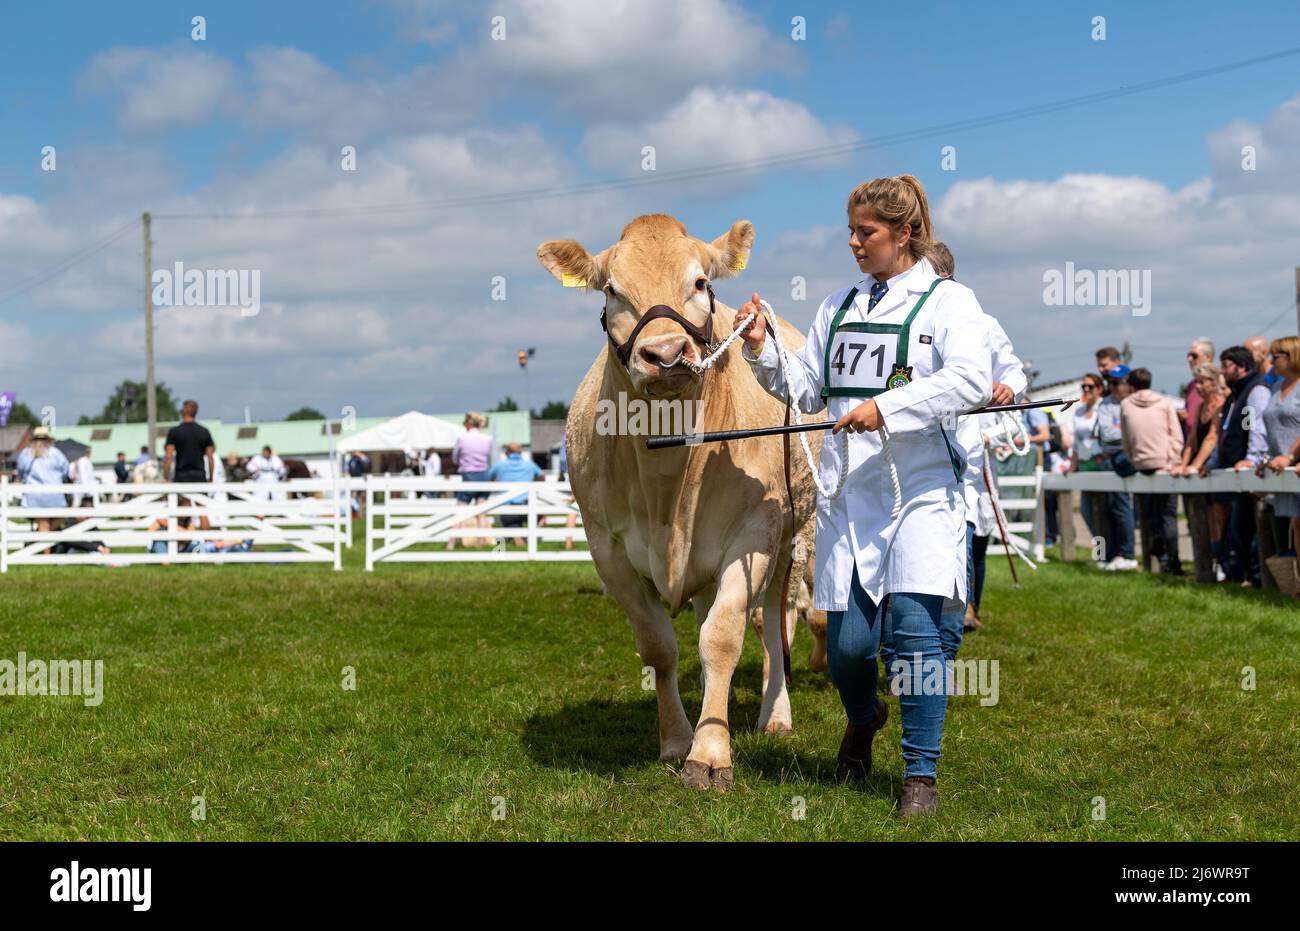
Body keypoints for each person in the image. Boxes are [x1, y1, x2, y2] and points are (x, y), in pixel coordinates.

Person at [735, 174, 991, 818]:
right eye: (850, 231)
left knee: (915, 638)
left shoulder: (948, 303)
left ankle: (920, 776)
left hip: (923, 490)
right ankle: (864, 715)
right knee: (847, 652)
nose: (853, 242)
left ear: (905, 234)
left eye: (866, 232)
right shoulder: (839, 306)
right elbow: (806, 388)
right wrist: (764, 350)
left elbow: (970, 379)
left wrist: (889, 407)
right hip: (850, 495)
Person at [1120, 367, 1184, 573]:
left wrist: (1134, 459)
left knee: (1149, 514)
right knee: (1169, 515)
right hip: (1164, 463)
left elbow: (1126, 439)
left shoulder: (1126, 405)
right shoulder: (1165, 403)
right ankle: (1173, 560)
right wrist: (1173, 459)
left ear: (1131, 385)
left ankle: (1158, 554)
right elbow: (1176, 434)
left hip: (1141, 464)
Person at [1216, 346, 1271, 586]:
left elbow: (1255, 426)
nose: (1222, 370)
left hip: (1250, 469)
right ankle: (1244, 575)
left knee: (1248, 527)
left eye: (1226, 365)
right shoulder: (1236, 393)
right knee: (1238, 528)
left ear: (1241, 366)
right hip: (1233, 470)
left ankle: (1256, 578)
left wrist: (1252, 457)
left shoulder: (1255, 390)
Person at [1172, 363, 1229, 582]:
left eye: (1203, 382)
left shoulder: (1220, 405)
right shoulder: (1200, 408)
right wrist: (1183, 464)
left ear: (1214, 383)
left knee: (1220, 514)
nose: (1199, 386)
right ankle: (1214, 559)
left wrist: (1195, 464)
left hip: (1213, 465)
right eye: (1197, 382)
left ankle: (1223, 560)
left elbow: (1211, 438)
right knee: (1207, 516)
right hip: (1202, 464)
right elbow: (1193, 439)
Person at [1259, 337, 1300, 593]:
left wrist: (1292, 456)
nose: (1272, 361)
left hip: (1293, 464)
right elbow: (1272, 429)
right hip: (1281, 467)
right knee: (1297, 523)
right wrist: (1265, 458)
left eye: (1277, 356)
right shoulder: (1277, 388)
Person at [1093, 365, 1137, 570]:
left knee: (1122, 508)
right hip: (1109, 458)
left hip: (1128, 459)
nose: (1113, 387)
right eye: (1111, 383)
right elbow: (1108, 433)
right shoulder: (1105, 404)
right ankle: (1107, 554)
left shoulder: (1136, 402)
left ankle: (1127, 554)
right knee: (1103, 510)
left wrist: (1125, 432)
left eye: (1117, 383)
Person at [1070, 373, 1109, 558]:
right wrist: (1072, 467)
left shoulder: (1105, 408)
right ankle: (1100, 551)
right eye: (1084, 386)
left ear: (1100, 389)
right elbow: (1076, 442)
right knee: (1087, 511)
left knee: (1103, 512)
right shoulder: (1078, 411)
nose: (1086, 390)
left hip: (1102, 463)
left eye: (1090, 386)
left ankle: (1105, 553)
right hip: (1085, 465)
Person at [14, 426, 70, 551]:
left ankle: (42, 549)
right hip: (54, 495)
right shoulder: (55, 453)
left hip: (35, 496)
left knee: (43, 524)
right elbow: (66, 470)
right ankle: (46, 554)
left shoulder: (26, 454)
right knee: (58, 519)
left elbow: (21, 471)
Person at [163, 400, 216, 530]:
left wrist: (166, 477)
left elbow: (168, 457)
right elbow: (210, 458)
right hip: (199, 475)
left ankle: (182, 543)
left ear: (184, 411)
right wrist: (211, 477)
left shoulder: (175, 432)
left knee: (182, 512)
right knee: (202, 511)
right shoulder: (204, 431)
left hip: (182, 476)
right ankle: (208, 544)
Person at [448, 412, 493, 550]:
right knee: (481, 511)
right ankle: (480, 542)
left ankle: (451, 543)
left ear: (469, 423)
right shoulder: (487, 438)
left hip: (468, 475)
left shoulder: (462, 438)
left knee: (460, 510)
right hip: (484, 475)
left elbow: (455, 458)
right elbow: (490, 457)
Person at [486, 443, 543, 546]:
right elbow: (541, 476)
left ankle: (517, 537)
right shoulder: (529, 465)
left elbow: (488, 478)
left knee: (513, 524)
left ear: (507, 452)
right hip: (527, 506)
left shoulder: (500, 465)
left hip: (508, 509)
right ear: (520, 452)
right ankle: (529, 538)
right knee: (541, 517)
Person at [1180, 339, 1215, 436]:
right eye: (1188, 356)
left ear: (1208, 357)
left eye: (1194, 356)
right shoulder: (1191, 385)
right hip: (1191, 440)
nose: (1190, 359)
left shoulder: (1220, 382)